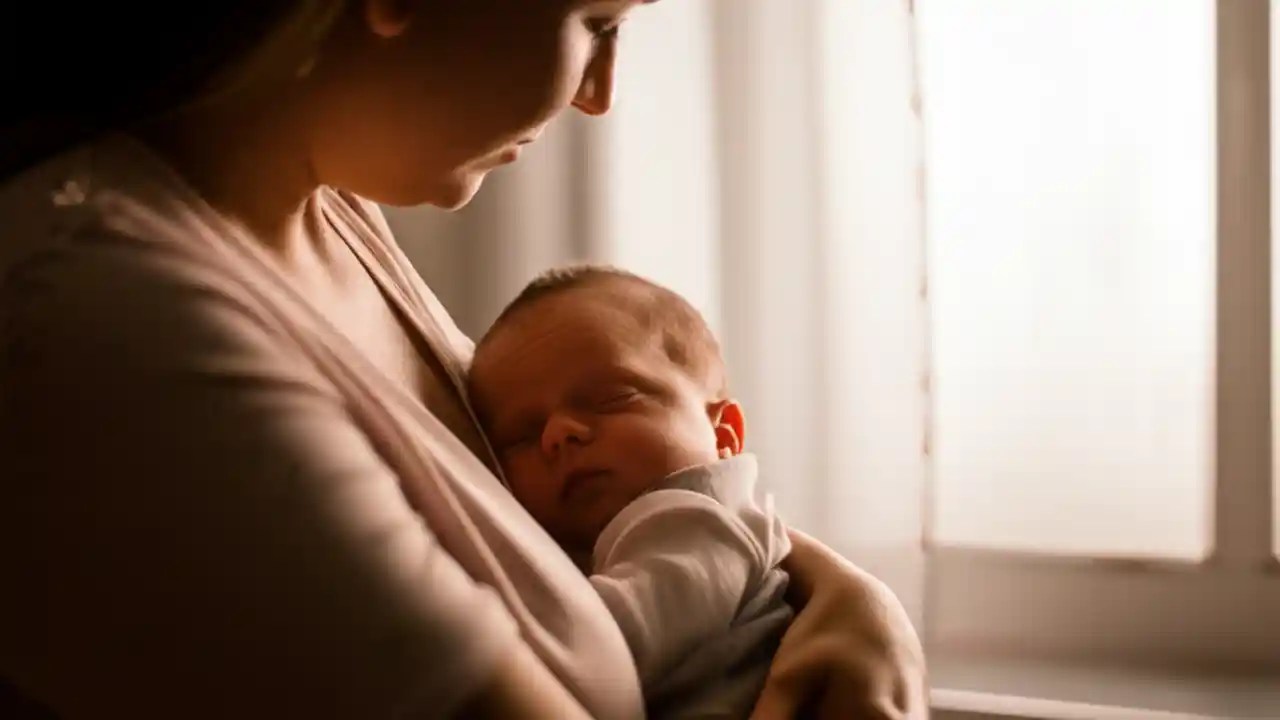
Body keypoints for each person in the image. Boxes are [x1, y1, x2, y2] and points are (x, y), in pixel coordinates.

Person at [0, 2, 928, 718]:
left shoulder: (323, 214)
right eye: (595, 23)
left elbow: (528, 520)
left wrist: (849, 598)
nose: (597, 94)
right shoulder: (112, 321)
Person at [469, 265, 793, 719]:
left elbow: (599, 654)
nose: (558, 433)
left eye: (613, 398)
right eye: (522, 436)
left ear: (724, 434)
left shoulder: (697, 517)